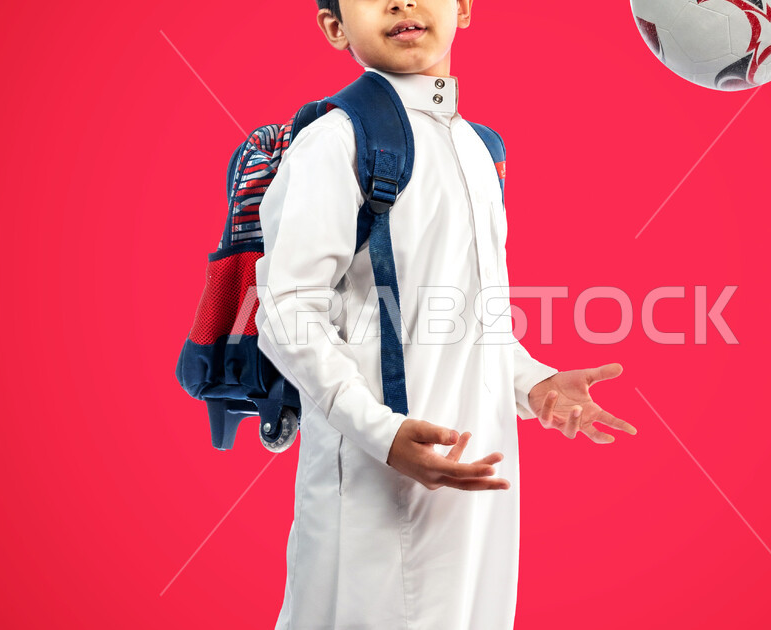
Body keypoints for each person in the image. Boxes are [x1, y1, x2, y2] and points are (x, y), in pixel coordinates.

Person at [254, 1, 638, 628]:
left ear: (462, 8)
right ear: (334, 27)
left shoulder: (479, 148)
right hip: (374, 493)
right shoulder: (336, 141)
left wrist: (533, 383)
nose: (401, 2)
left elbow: (464, 316)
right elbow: (286, 312)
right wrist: (383, 434)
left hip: (479, 491)